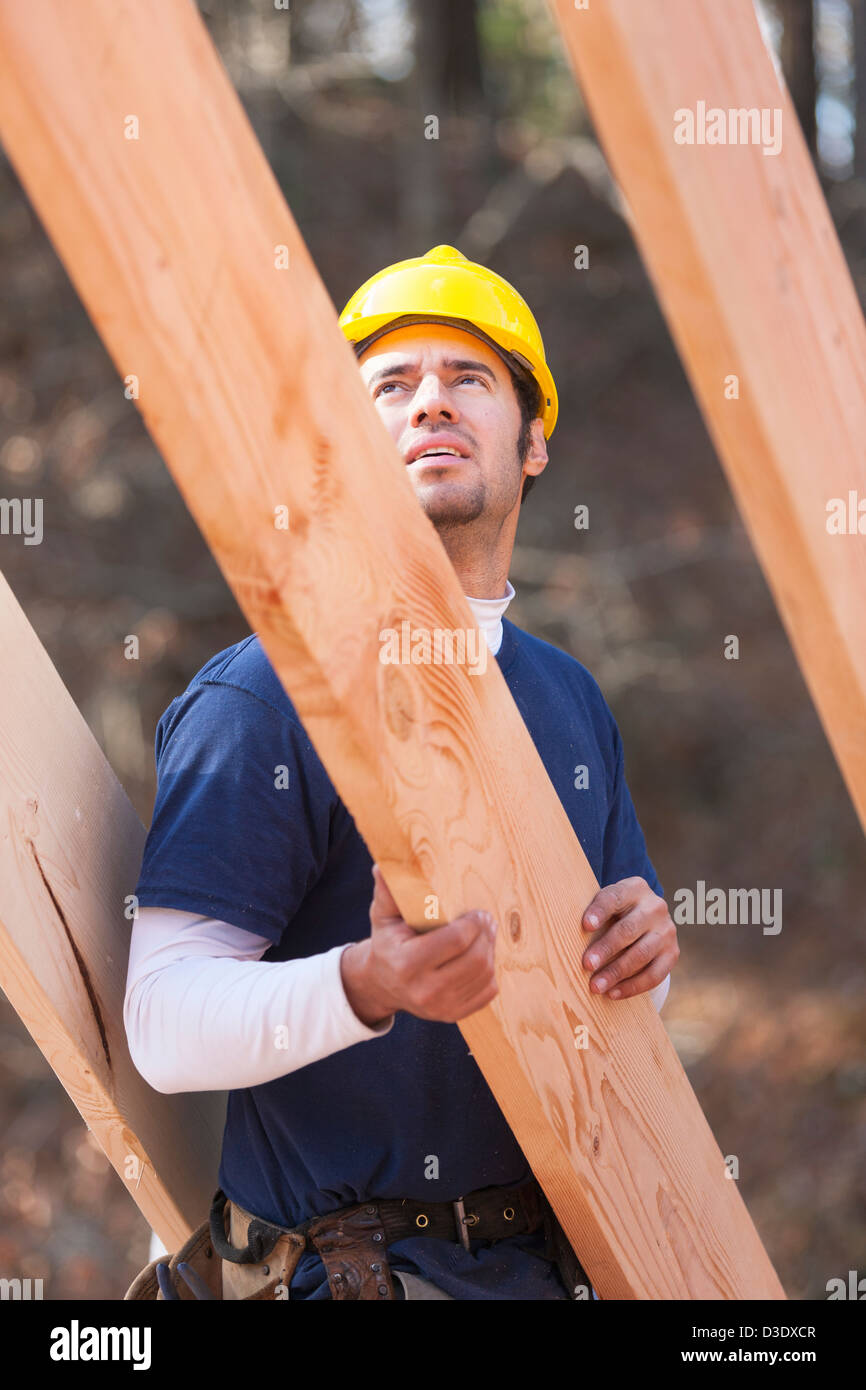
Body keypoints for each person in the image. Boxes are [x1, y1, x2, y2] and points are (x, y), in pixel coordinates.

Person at [123, 245, 679, 1301]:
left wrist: (646, 956)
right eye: (390, 386)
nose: (430, 403)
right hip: (345, 1278)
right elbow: (164, 1025)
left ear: (534, 443)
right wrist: (366, 984)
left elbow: (618, 1011)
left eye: (468, 378)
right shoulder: (266, 698)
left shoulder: (568, 702)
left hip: (551, 1271)